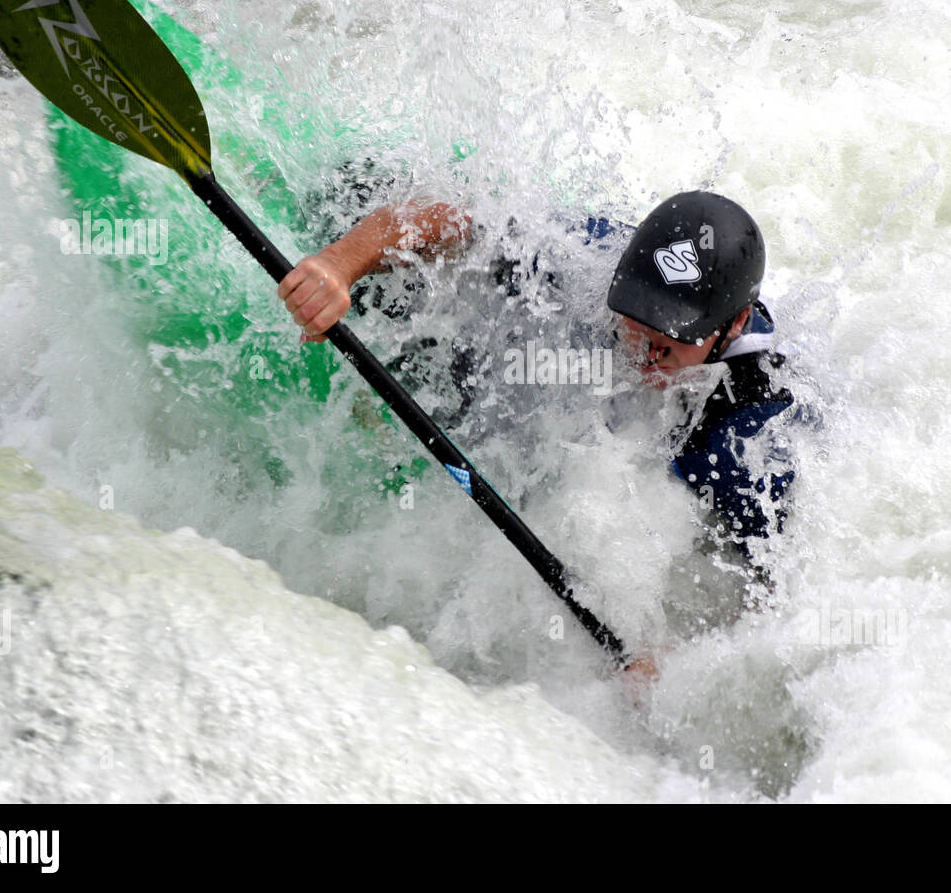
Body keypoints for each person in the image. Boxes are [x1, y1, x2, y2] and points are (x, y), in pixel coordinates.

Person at [278, 190, 798, 677]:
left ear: (736, 324)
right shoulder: (586, 259)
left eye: (670, 344)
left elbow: (767, 597)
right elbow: (449, 214)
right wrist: (339, 265)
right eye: (636, 323)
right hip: (497, 347)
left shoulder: (751, 435)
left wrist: (678, 664)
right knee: (345, 214)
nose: (642, 353)